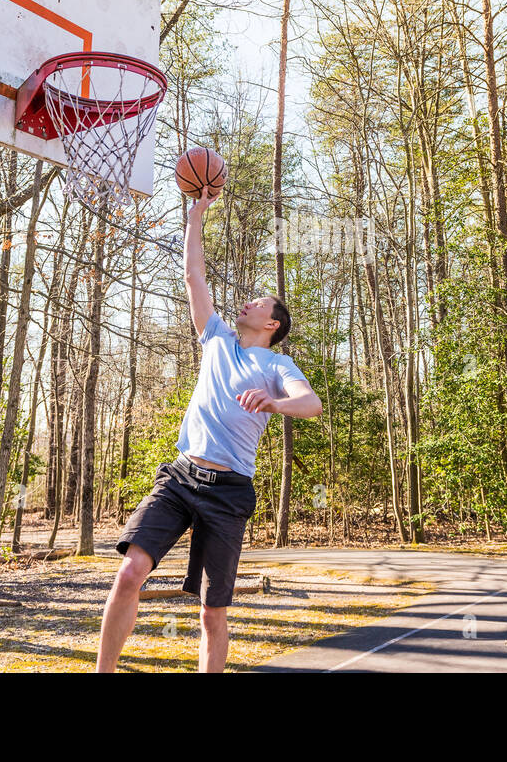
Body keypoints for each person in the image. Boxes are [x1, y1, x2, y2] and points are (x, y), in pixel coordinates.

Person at [95, 184, 322, 672]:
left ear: (273, 324)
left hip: (229, 491)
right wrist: (195, 216)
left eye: (260, 304)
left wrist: (277, 403)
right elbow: (193, 273)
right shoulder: (216, 337)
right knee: (129, 572)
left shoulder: (277, 364)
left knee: (211, 610)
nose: (249, 304)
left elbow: (312, 403)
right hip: (180, 478)